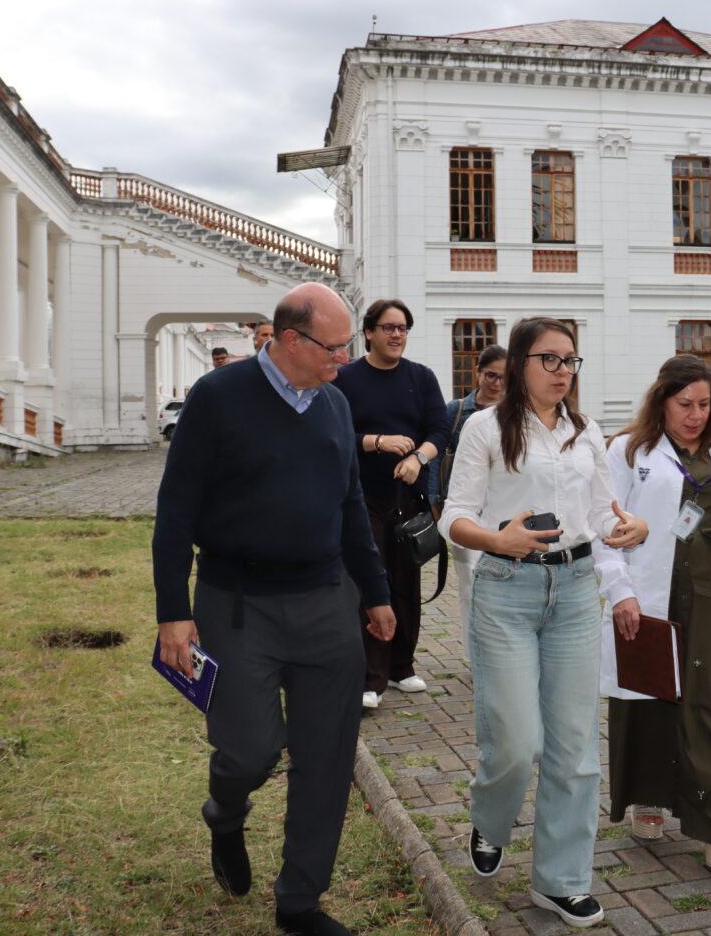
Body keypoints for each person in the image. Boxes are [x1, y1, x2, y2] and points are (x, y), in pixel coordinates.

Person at [153, 282, 398, 936]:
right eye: (334, 346)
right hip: (237, 606)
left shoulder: (335, 405)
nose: (343, 358)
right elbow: (175, 509)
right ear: (291, 340)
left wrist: (374, 592)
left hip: (325, 603)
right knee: (251, 750)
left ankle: (299, 902)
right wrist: (173, 609)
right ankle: (225, 813)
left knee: (326, 757)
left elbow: (350, 505)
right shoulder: (217, 399)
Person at [440, 317, 647, 929]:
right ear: (522, 363)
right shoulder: (484, 428)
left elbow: (608, 518)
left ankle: (561, 881)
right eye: (549, 360)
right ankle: (491, 818)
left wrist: (629, 530)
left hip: (578, 593)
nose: (562, 372)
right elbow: (454, 516)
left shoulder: (587, 433)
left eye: (570, 361)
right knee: (514, 742)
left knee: (576, 750)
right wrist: (497, 540)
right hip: (506, 591)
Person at [601, 355, 711, 883]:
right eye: (685, 404)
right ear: (662, 401)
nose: (695, 415)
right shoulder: (629, 452)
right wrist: (620, 593)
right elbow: (604, 527)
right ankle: (649, 794)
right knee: (652, 698)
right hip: (651, 593)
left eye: (705, 404)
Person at [332, 298, 447, 711]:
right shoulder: (346, 378)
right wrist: (377, 442)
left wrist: (419, 458)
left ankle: (402, 666)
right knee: (370, 581)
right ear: (368, 332)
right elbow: (334, 430)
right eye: (388, 327)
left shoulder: (421, 377)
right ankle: (370, 676)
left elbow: (439, 429)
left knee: (405, 581)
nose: (396, 335)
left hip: (407, 500)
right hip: (360, 497)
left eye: (402, 328)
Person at [426, 344, 508, 643]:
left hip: (503, 509)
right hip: (465, 510)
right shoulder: (457, 410)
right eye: (490, 375)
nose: (497, 383)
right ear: (478, 372)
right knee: (471, 582)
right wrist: (436, 501)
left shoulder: (513, 412)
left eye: (503, 377)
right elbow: (436, 457)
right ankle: (476, 654)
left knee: (502, 584)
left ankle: (499, 648)